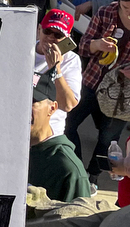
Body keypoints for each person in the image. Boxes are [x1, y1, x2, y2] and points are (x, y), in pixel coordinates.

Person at [67, 0, 130, 178]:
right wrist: (97, 45)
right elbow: (83, 45)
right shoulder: (106, 12)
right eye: (125, 8)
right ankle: (77, 168)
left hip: (123, 94)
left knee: (108, 139)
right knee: (66, 125)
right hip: (92, 82)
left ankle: (93, 175)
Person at [30, 72, 93, 202]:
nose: (22, 107)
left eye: (32, 101)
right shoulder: (5, 149)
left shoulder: (69, 171)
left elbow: (76, 219)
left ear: (52, 108)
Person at [34, 8, 81, 136]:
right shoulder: (24, 48)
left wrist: (55, 68)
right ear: (39, 29)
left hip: (48, 132)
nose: (50, 38)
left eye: (58, 35)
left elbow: (68, 105)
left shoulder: (70, 60)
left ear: (67, 38)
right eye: (47, 31)